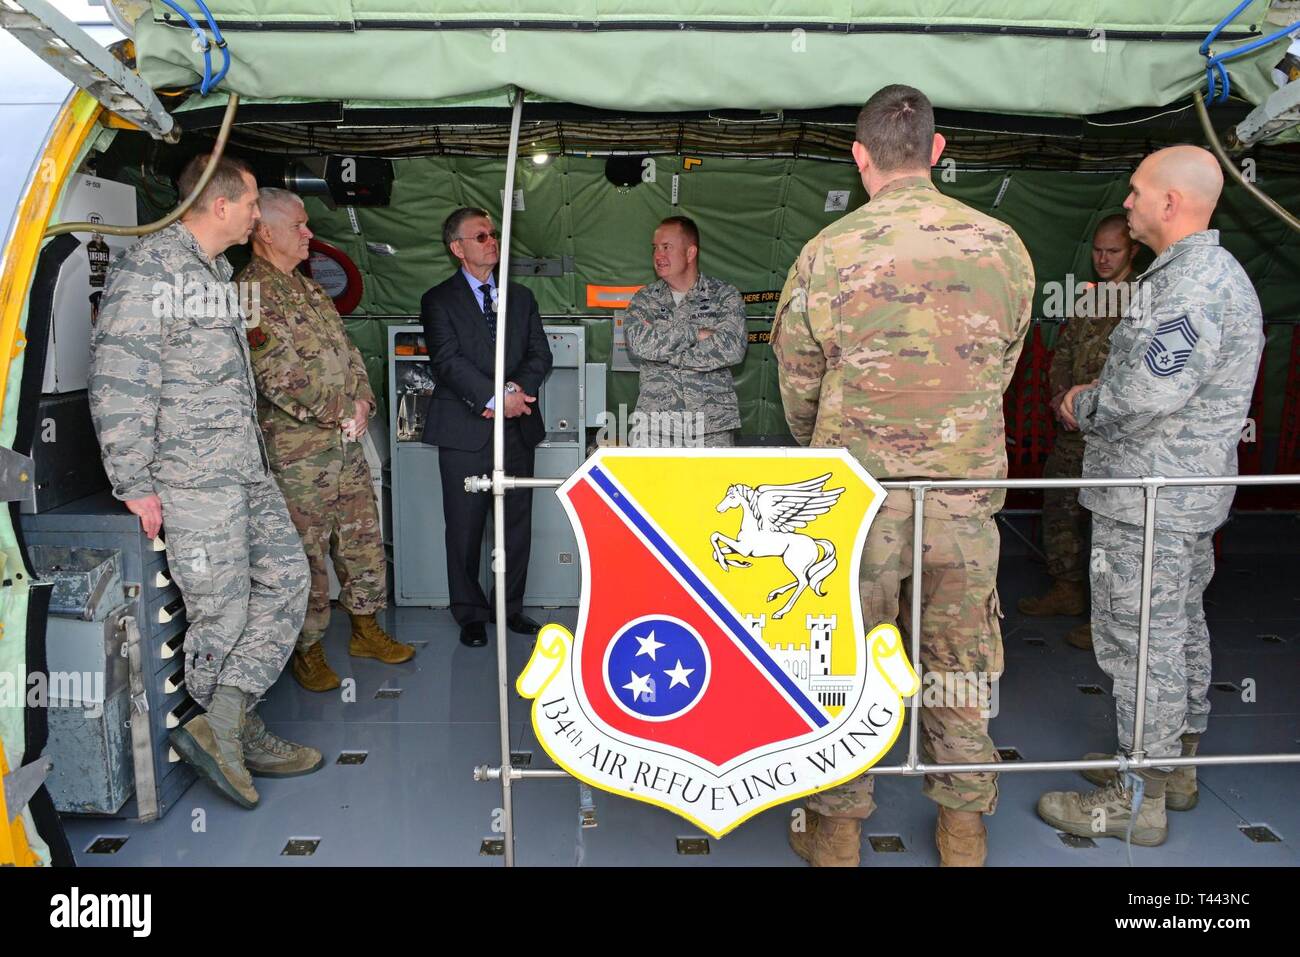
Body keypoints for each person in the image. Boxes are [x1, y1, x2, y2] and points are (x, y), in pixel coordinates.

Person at [772, 84, 1035, 867]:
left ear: (859, 157)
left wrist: (832, 443)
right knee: (958, 663)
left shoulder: (827, 251)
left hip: (858, 504)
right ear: (938, 149)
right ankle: (964, 829)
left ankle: (837, 832)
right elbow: (1003, 367)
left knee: (843, 663)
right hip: (961, 502)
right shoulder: (1003, 246)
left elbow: (797, 381)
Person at [1037, 145, 1263, 845]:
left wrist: (1084, 403)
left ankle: (1139, 798)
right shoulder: (1199, 276)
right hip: (1174, 495)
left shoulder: (1191, 286)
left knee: (1142, 641)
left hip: (1150, 497)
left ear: (1171, 202)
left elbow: (1147, 391)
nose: (1128, 203)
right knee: (1176, 629)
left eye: (1137, 192)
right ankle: (1175, 767)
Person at [88, 155, 317, 811]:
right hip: (191, 481)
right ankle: (231, 733)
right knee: (221, 612)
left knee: (287, 577)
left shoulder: (212, 272)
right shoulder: (151, 270)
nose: (257, 214)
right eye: (250, 203)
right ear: (221, 205)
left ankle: (225, 722)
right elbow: (118, 380)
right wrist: (133, 480)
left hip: (243, 468)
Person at [236, 188, 415, 693]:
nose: (309, 235)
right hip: (297, 455)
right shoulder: (251, 293)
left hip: (344, 446)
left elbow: (350, 354)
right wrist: (341, 412)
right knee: (305, 553)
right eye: (300, 225)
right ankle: (307, 647)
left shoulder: (310, 291)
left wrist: (362, 404)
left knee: (361, 539)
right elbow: (274, 373)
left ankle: (365, 629)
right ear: (266, 232)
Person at [421, 207, 553, 647]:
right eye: (480, 237)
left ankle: (508, 608)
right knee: (463, 526)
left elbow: (541, 355)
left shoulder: (522, 297)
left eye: (493, 234)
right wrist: (496, 398)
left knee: (515, 524)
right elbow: (447, 361)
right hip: (465, 430)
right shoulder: (438, 300)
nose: (491, 241)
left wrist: (515, 393)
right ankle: (470, 613)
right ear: (457, 248)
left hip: (516, 428)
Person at [1019, 214, 1141, 651]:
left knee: (1110, 525)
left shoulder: (1144, 300)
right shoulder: (1089, 299)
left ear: (1133, 251)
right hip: (1073, 430)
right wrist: (1059, 400)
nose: (1103, 259)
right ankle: (1066, 590)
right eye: (1098, 251)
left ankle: (1106, 618)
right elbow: (1063, 353)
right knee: (1060, 509)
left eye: (1114, 252)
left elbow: (1136, 371)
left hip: (1114, 434)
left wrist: (1093, 404)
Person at [623, 216, 747, 446]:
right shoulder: (644, 300)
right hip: (655, 425)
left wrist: (664, 352)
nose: (658, 256)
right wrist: (695, 334)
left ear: (690, 253)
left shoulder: (724, 296)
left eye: (667, 247)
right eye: (655, 248)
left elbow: (732, 349)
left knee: (711, 484)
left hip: (711, 426)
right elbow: (638, 344)